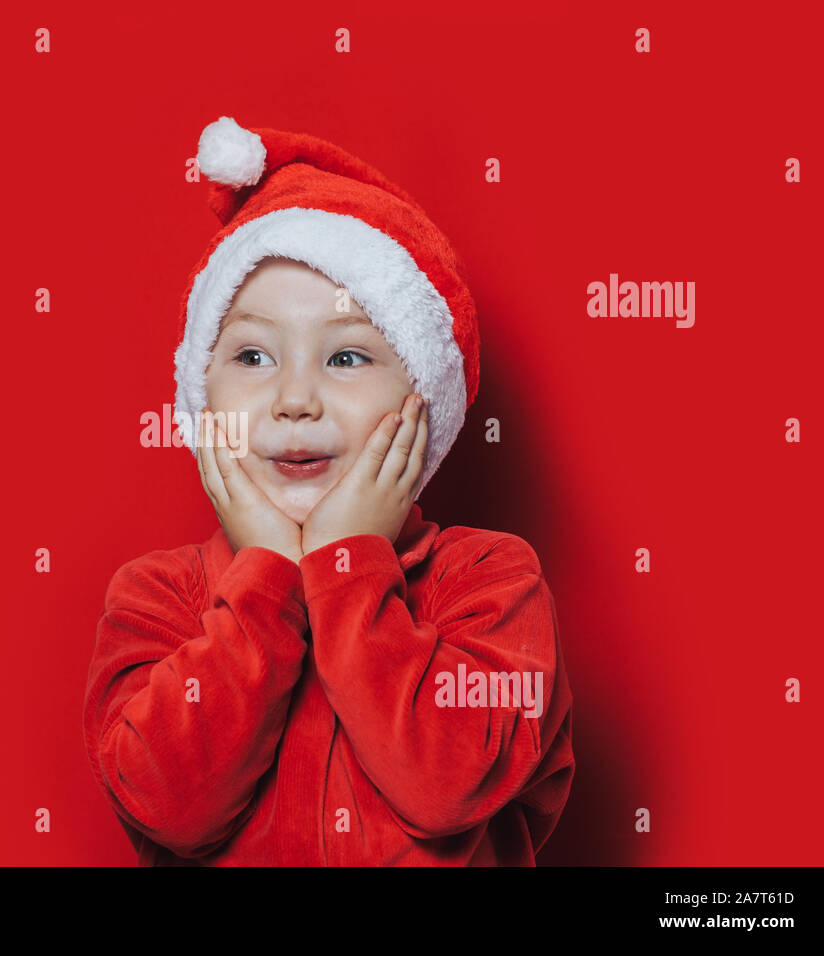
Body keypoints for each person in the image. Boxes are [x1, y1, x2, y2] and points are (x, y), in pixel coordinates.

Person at [82, 116, 574, 865]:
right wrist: (266, 580)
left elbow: (449, 782)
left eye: (346, 357)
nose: (295, 399)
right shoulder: (156, 598)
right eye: (253, 354)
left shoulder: (492, 581)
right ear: (199, 400)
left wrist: (347, 561)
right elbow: (168, 806)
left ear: (425, 400)